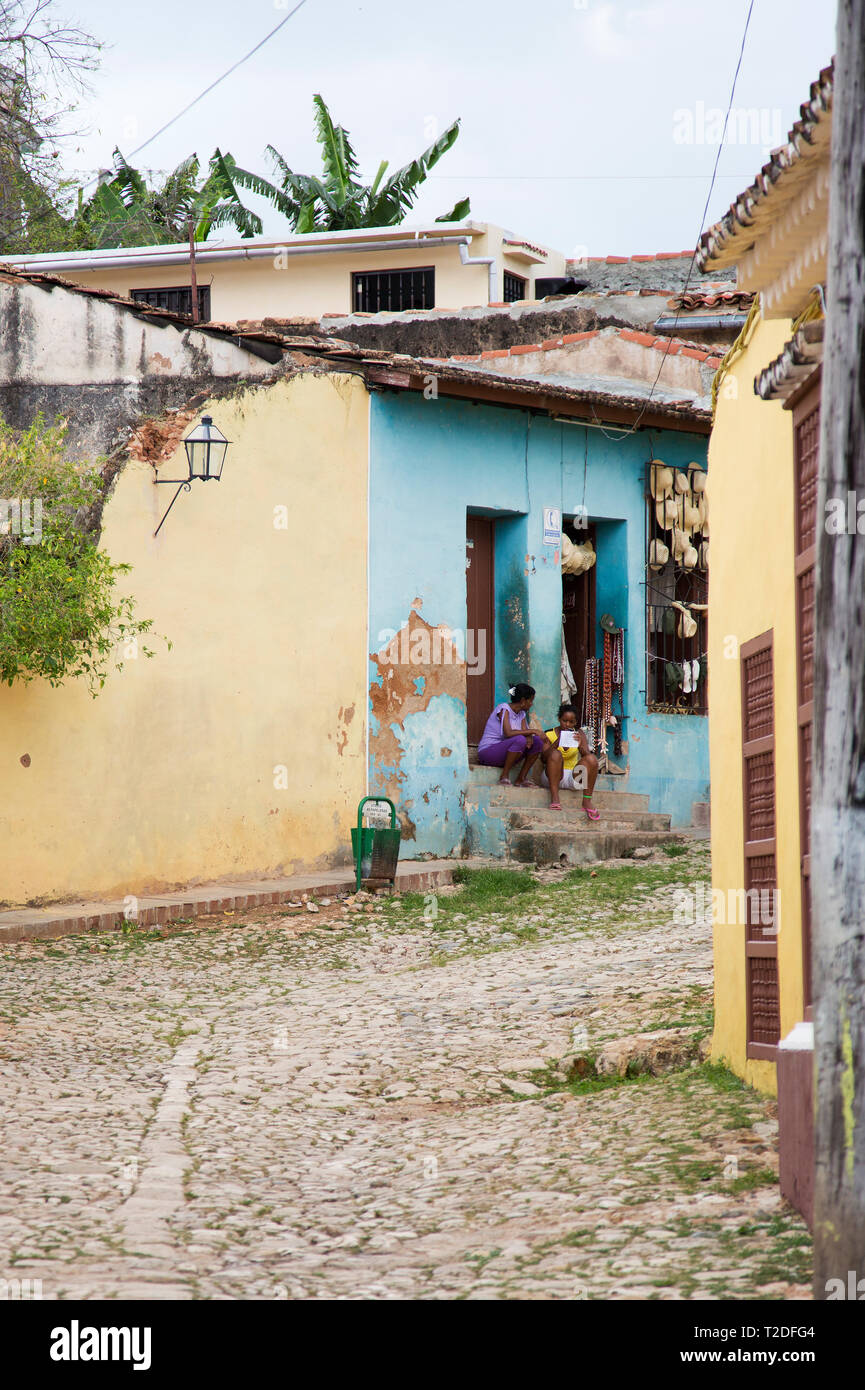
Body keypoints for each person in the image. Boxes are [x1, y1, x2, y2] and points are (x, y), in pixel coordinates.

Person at [477, 683, 546, 786]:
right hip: (488, 753)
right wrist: (533, 731)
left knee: (537, 742)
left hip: (504, 753)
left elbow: (525, 733)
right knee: (519, 739)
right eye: (530, 700)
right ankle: (504, 776)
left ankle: (521, 778)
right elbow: (508, 733)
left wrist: (530, 736)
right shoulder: (504, 709)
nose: (531, 704)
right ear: (523, 701)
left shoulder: (521, 714)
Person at [541, 702, 601, 819]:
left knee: (592, 759)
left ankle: (587, 801)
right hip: (551, 777)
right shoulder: (549, 734)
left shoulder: (579, 734)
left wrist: (581, 745)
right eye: (564, 721)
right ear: (559, 719)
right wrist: (556, 743)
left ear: (575, 723)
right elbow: (543, 759)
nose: (567, 725)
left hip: (573, 779)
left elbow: (587, 758)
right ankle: (555, 798)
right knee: (555, 754)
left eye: (571, 722)